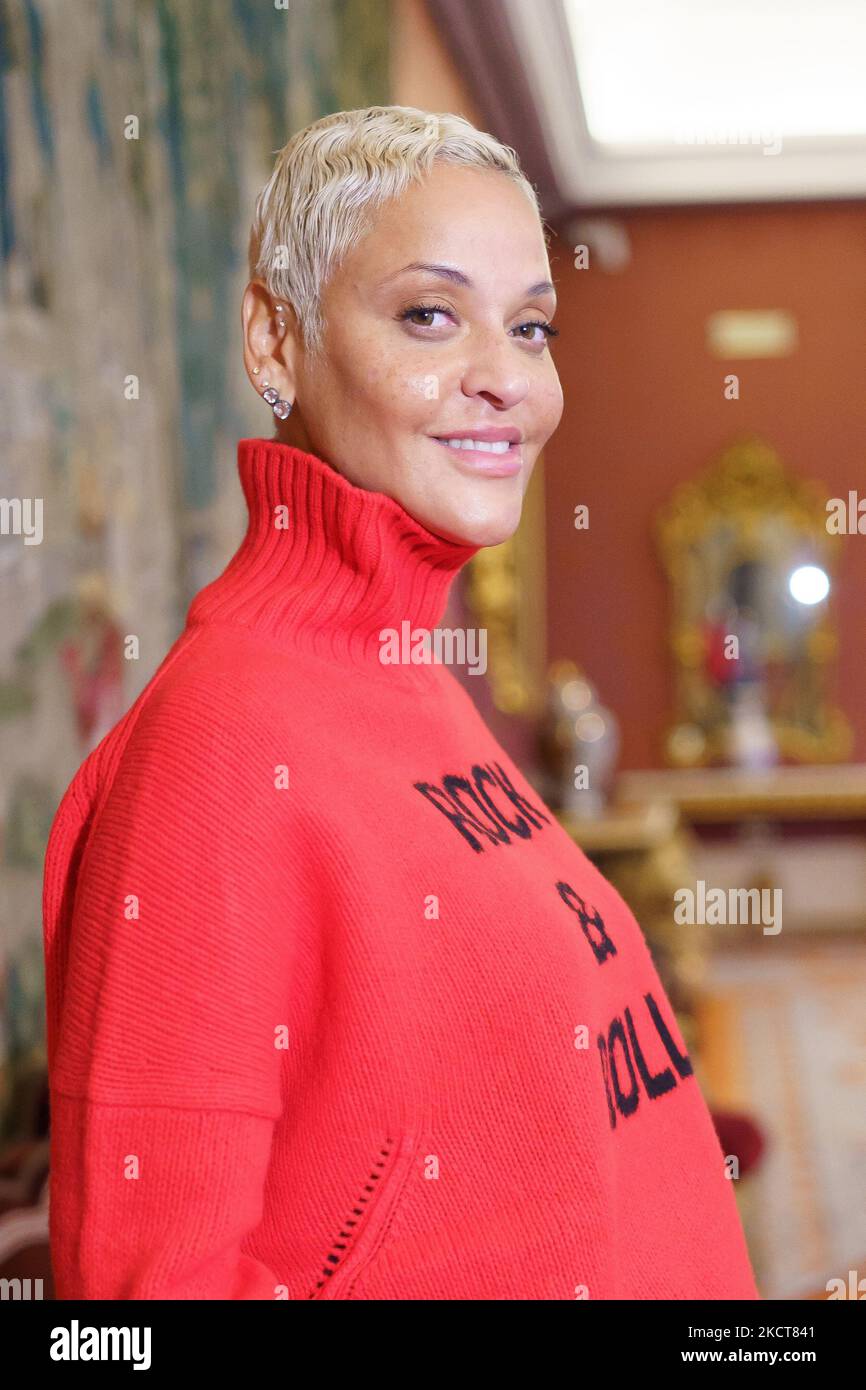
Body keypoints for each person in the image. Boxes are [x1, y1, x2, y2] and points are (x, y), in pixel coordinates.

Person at [42, 105, 759, 1300]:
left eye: (530, 327)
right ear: (274, 342)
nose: (501, 379)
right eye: (429, 314)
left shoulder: (405, 677)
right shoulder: (210, 756)